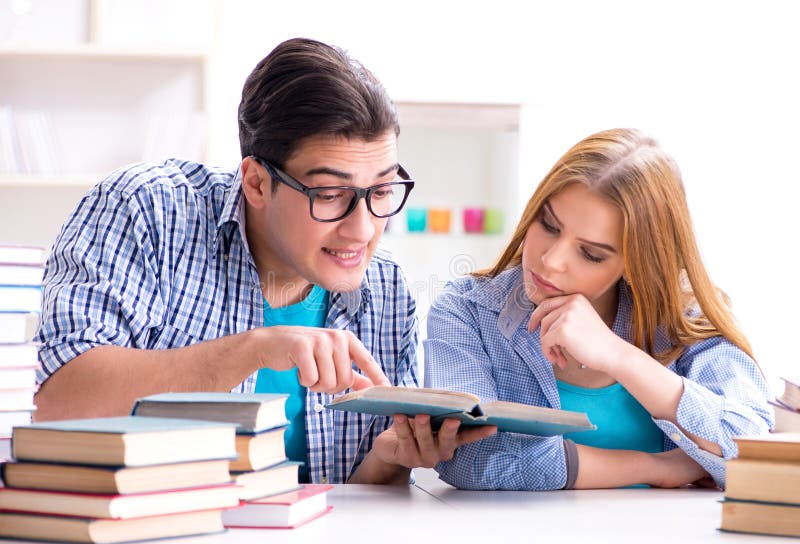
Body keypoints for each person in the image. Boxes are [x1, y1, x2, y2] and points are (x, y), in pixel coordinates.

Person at [34, 38, 494, 485]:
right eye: (331, 195)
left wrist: (385, 463)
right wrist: (253, 348)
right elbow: (55, 400)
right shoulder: (147, 211)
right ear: (255, 183)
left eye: (380, 192)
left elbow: (348, 504)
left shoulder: (387, 289)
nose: (363, 230)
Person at [425, 128, 773, 490]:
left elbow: (758, 453)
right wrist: (655, 468)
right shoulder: (467, 310)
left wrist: (619, 356)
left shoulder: (684, 322)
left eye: (591, 254)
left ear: (637, 262)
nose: (551, 260)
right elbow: (468, 459)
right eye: (548, 225)